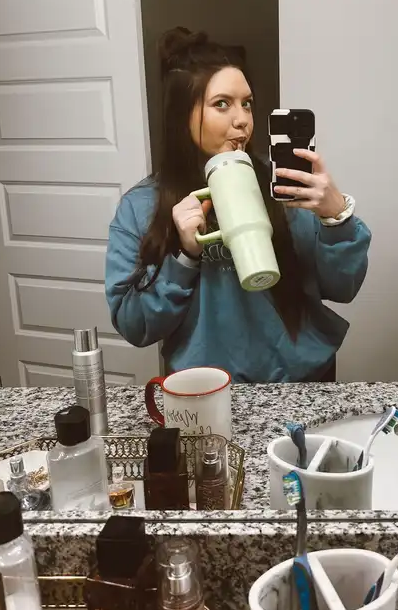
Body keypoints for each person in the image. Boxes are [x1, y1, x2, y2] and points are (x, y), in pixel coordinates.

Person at [105, 27, 372, 383]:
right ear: (182, 116)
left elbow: (343, 288)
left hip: (305, 381)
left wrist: (336, 218)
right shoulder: (141, 206)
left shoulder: (285, 187)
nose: (242, 119)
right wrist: (185, 257)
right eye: (222, 104)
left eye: (246, 103)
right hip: (206, 389)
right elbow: (134, 325)